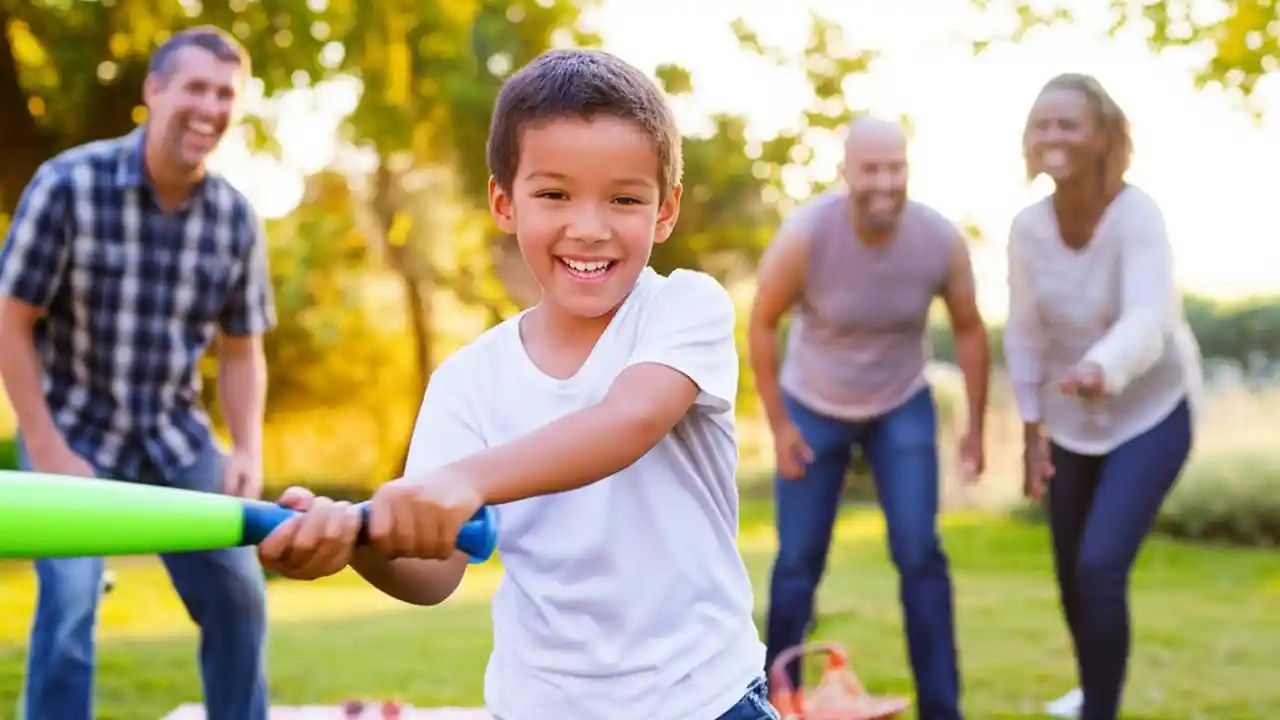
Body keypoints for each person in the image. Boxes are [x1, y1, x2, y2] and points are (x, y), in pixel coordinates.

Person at [256, 48, 777, 720]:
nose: (588, 228)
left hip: (705, 703)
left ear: (666, 209)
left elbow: (628, 421)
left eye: (624, 199)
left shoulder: (683, 309)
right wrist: (356, 541)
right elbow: (433, 573)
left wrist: (462, 482)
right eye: (554, 194)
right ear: (504, 202)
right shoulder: (469, 382)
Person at [0, 26, 275, 720]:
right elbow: (10, 318)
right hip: (73, 434)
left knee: (241, 595)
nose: (211, 108)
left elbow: (241, 349)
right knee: (68, 607)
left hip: (174, 441)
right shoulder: (68, 184)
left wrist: (246, 449)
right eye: (196, 88)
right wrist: (49, 449)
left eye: (226, 94)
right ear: (153, 91)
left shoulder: (235, 219)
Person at [747, 116, 989, 719]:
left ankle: (942, 708)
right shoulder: (806, 234)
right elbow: (761, 321)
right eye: (871, 169)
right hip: (813, 405)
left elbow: (968, 327)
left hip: (900, 402)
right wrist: (778, 424)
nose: (884, 182)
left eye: (895, 168)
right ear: (845, 173)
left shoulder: (938, 240)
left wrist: (976, 429)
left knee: (920, 554)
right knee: (799, 561)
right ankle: (775, 700)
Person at [1004, 72, 1203, 720]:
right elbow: (1027, 333)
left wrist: (1100, 365)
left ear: (1103, 137)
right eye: (1043, 124)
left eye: (1069, 123)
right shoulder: (1028, 228)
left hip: (1152, 410)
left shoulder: (1136, 213)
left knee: (1099, 565)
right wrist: (1031, 432)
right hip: (1069, 420)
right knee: (1070, 575)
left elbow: (1149, 315)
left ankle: (1100, 710)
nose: (1053, 135)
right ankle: (1094, 686)